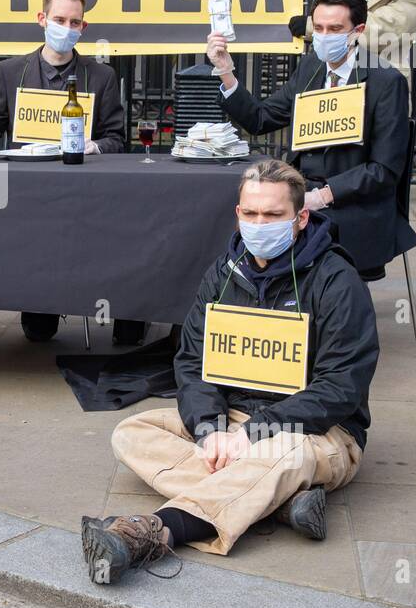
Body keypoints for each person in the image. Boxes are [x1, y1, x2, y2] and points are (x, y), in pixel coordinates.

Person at [82, 159, 377, 583]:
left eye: (274, 215)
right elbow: (192, 360)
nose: (261, 223)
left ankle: (150, 533)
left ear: (300, 218)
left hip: (318, 431)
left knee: (285, 455)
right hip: (234, 418)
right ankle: (275, 501)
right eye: (251, 213)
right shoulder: (222, 273)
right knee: (131, 433)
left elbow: (340, 386)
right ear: (238, 214)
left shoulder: (337, 281)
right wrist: (210, 427)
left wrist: (253, 433)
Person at [0, 0, 128, 343]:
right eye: (60, 19)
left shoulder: (102, 76)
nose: (67, 28)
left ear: (83, 27)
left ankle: (103, 307)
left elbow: (118, 139)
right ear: (42, 19)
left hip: (83, 196)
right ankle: (39, 304)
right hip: (27, 199)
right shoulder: (10, 72)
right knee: (38, 332)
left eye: (74, 22)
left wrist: (96, 147)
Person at [212, 0, 416, 280]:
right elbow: (261, 118)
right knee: (249, 221)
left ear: (357, 30)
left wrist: (323, 195)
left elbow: (383, 170)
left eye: (335, 29)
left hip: (350, 202)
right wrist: (225, 71)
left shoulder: (386, 82)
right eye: (319, 27)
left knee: (299, 244)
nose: (324, 36)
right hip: (301, 191)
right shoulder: (311, 67)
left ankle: (321, 314)